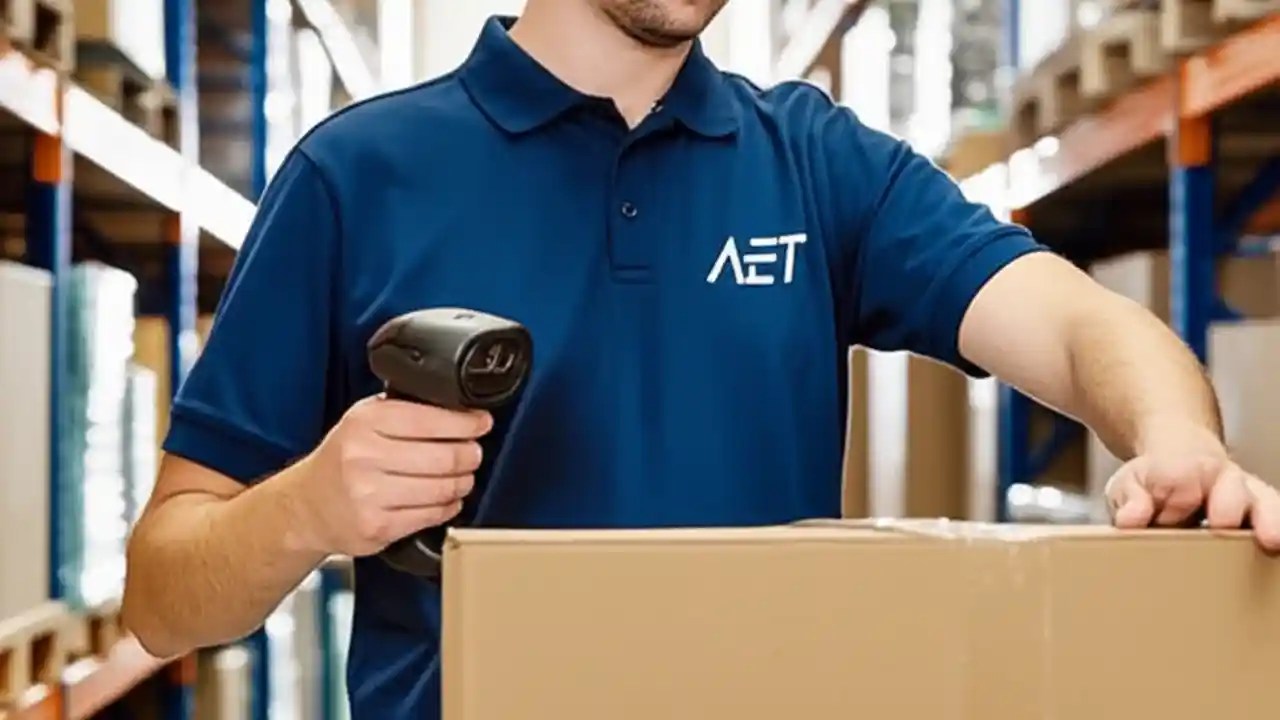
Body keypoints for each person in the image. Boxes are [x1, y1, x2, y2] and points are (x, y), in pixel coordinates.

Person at [121, 1, 1280, 717]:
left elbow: (1083, 329)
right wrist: (310, 508)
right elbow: (161, 600)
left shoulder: (818, 165)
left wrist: (1175, 441)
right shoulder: (354, 176)